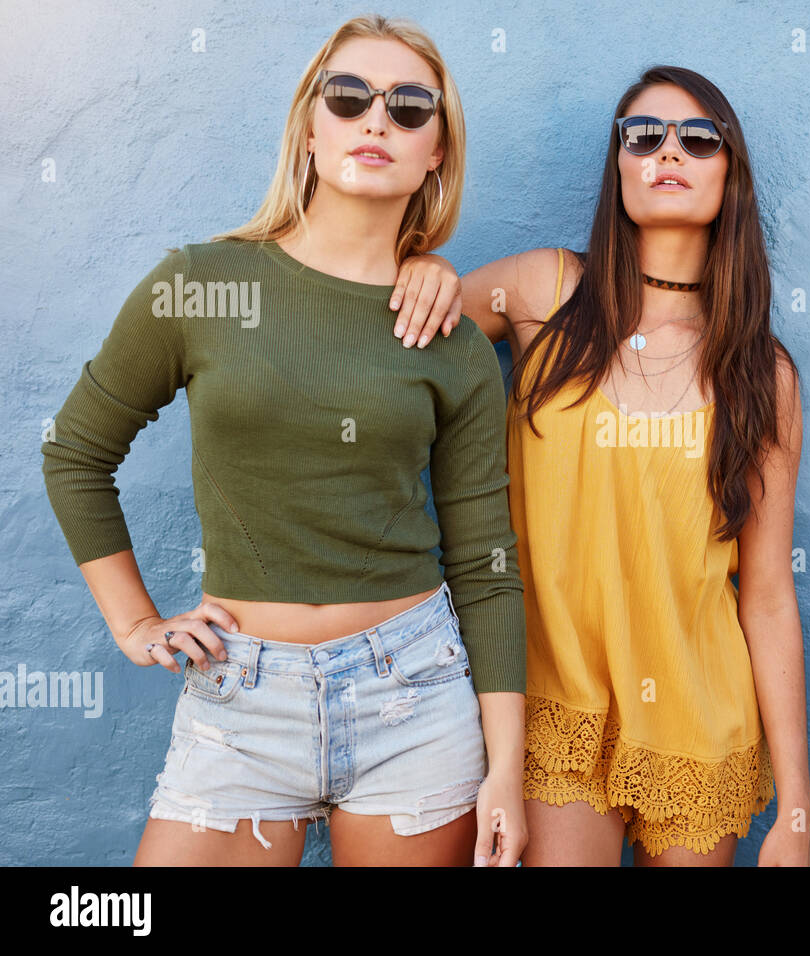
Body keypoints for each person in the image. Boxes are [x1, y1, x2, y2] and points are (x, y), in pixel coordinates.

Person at [40, 14, 527, 866]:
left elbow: (487, 564)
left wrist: (506, 773)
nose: (378, 119)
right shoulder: (199, 285)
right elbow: (76, 454)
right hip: (240, 697)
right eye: (349, 97)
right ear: (310, 127)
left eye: (411, 107)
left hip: (412, 697)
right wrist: (136, 625)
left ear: (437, 151)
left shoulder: (447, 337)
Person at [389, 66, 810, 865]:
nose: (668, 152)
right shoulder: (542, 291)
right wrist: (431, 268)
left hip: (698, 715)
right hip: (552, 699)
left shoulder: (764, 376)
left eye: (697, 138)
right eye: (643, 135)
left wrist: (797, 806)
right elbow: (396, 342)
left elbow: (765, 599)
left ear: (731, 173)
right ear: (618, 165)